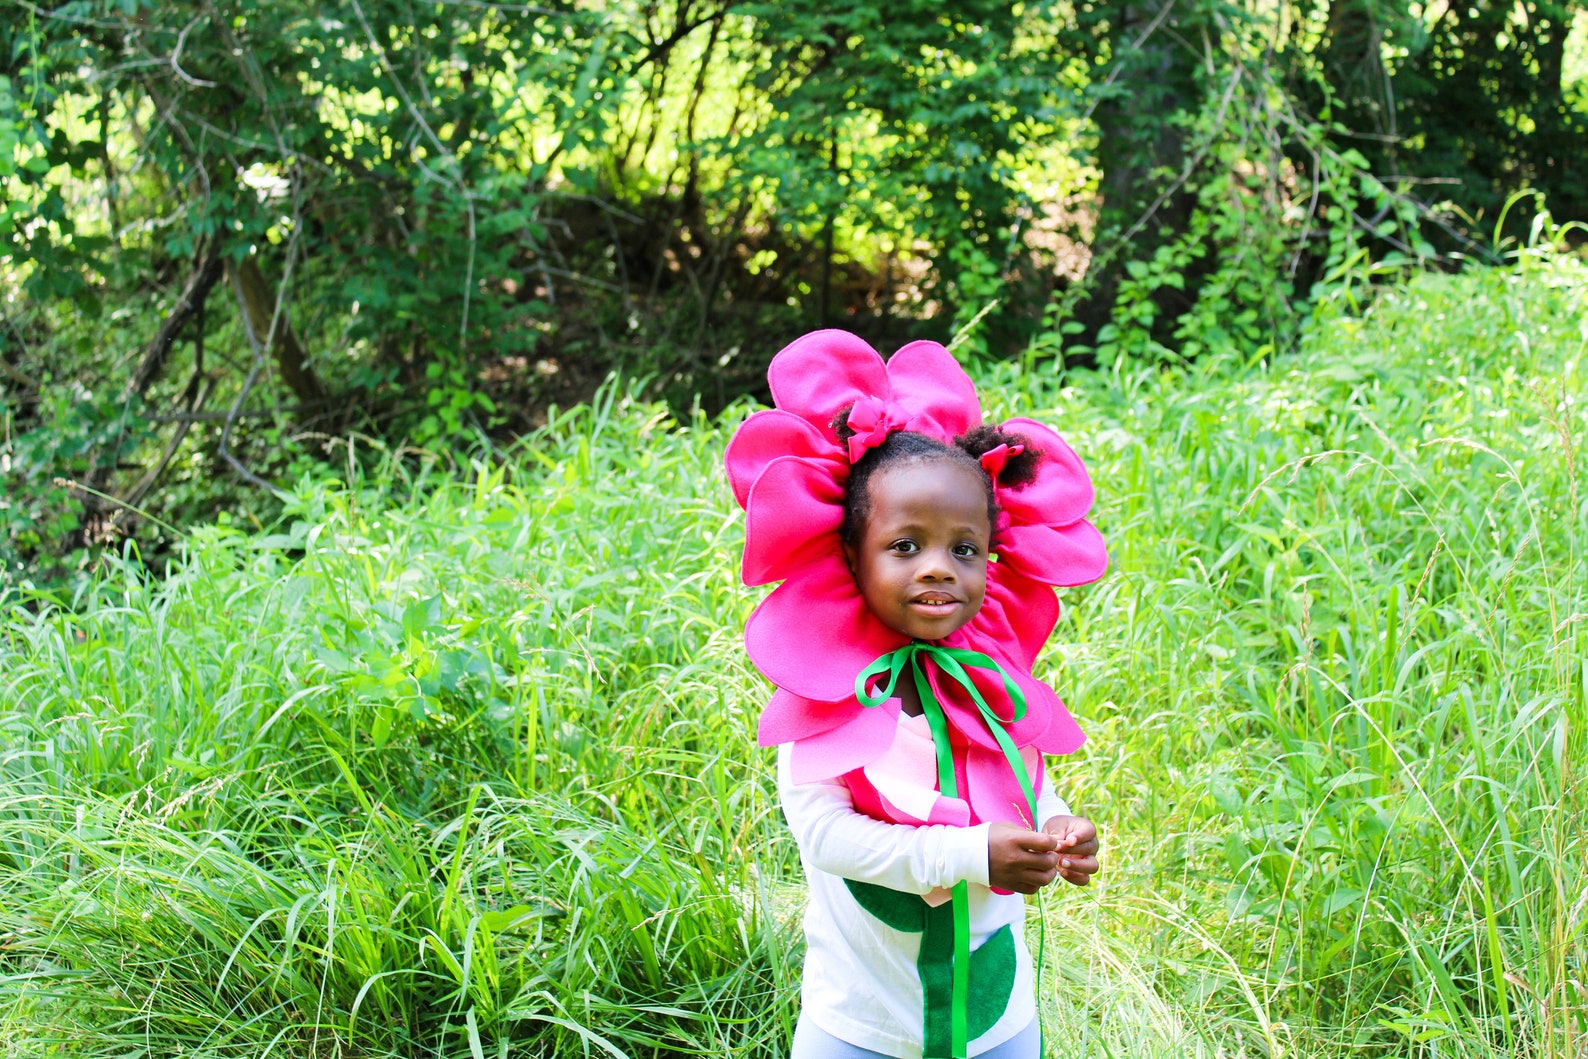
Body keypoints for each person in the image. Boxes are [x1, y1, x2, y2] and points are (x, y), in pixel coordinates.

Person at [726, 331, 1108, 1059]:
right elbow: (825, 836)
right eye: (905, 546)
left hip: (995, 1024)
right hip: (861, 1025)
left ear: (993, 557)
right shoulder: (829, 690)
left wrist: (1060, 828)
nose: (938, 569)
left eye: (963, 548)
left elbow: (1023, 782)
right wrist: (969, 855)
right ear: (850, 551)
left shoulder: (993, 680)